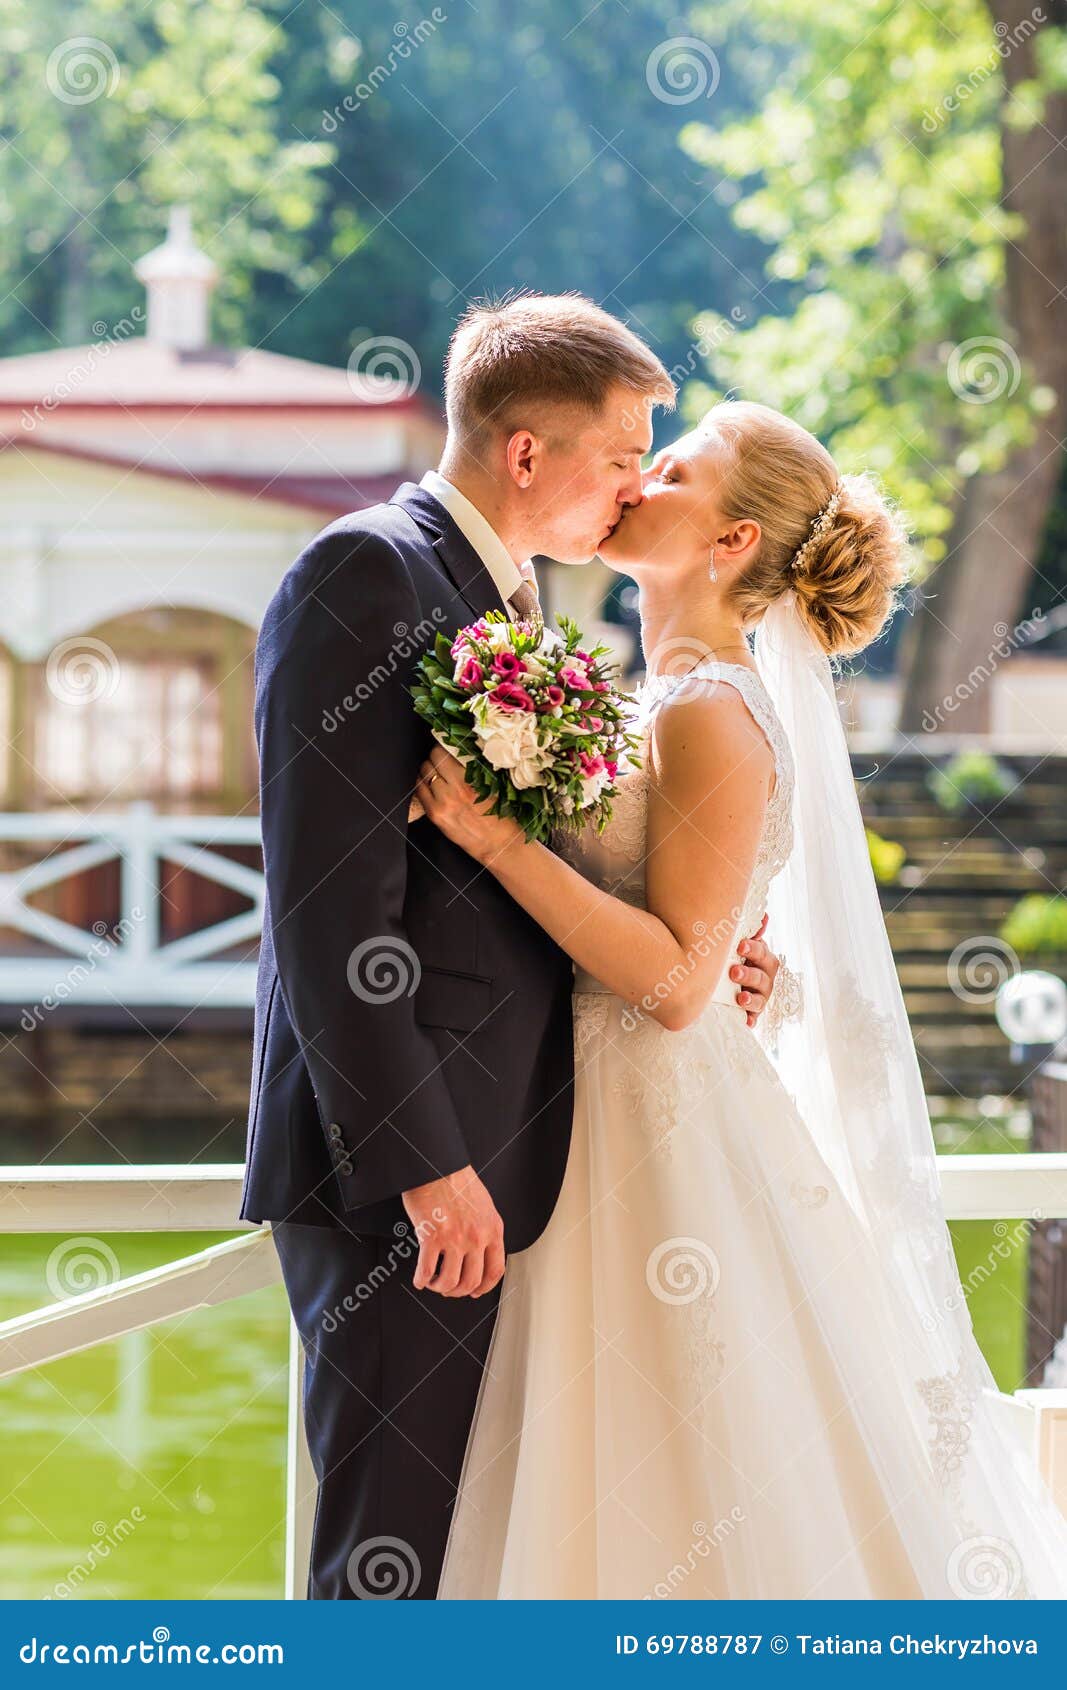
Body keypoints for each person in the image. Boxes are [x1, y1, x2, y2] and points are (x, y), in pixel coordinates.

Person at [418, 400, 1067, 1599]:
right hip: (590, 1113)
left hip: (654, 1136)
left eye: (668, 468)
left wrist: (496, 842)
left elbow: (667, 986)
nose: (634, 480)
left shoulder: (710, 711)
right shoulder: (654, 694)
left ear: (727, 543)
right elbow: (694, 954)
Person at [239, 299, 781, 1599]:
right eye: (616, 456)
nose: (629, 486)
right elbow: (329, 914)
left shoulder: (515, 611)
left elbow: (545, 898)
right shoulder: (364, 573)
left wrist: (701, 976)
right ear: (527, 453)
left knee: (467, 1558)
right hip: (404, 1185)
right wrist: (424, 1166)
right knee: (384, 1567)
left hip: (516, 1166)